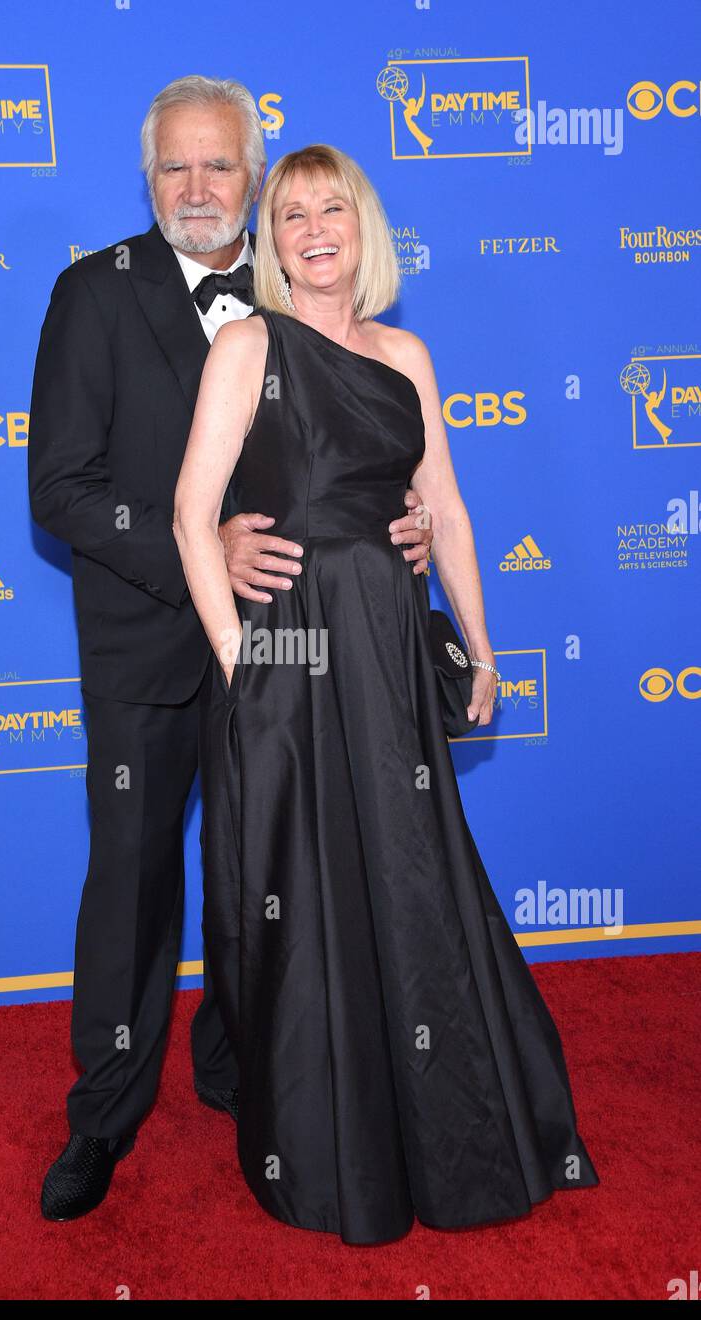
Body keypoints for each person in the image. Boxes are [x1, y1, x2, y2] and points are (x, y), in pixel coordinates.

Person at [172, 144, 599, 1245]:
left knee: (411, 872)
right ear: (272, 240)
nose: (315, 229)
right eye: (294, 214)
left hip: (392, 646)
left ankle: (444, 1128)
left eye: (334, 210)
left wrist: (486, 646)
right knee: (301, 884)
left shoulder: (406, 353)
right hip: (291, 655)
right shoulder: (247, 346)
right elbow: (191, 512)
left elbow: (442, 508)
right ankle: (325, 1149)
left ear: (365, 228)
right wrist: (237, 660)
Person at [27, 82, 434, 1222]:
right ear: (147, 180)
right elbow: (59, 487)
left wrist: (402, 527)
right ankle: (103, 1114)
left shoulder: (304, 288)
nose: (198, 189)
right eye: (175, 170)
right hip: (149, 651)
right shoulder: (91, 294)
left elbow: (374, 451)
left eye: (219, 168)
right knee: (135, 889)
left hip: (302, 649)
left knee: (266, 881)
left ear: (252, 177)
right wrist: (196, 545)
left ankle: (246, 1075)